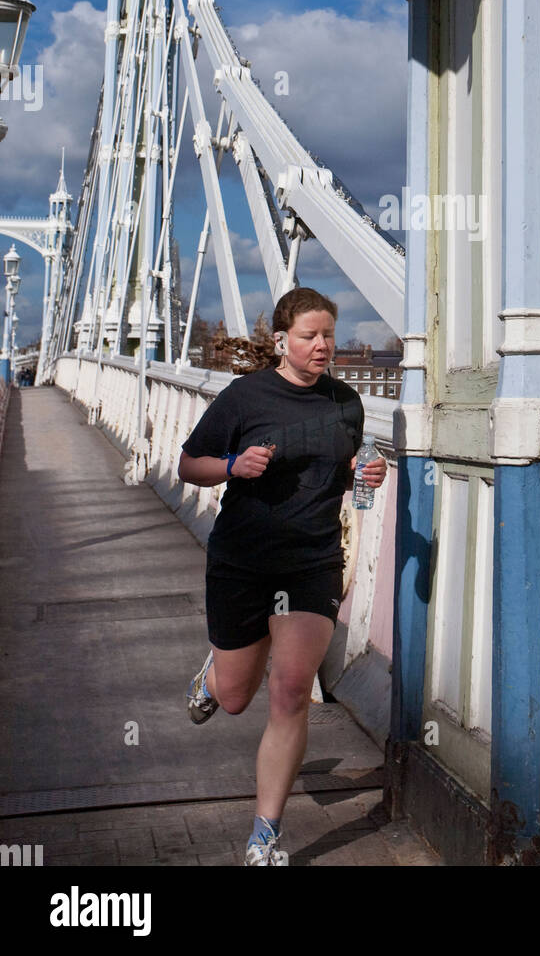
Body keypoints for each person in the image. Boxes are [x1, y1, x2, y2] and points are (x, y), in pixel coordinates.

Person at [178, 287, 387, 866]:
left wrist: (365, 470)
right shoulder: (244, 398)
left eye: (329, 336)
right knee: (240, 696)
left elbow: (343, 480)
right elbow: (187, 464)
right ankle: (214, 680)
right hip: (243, 561)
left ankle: (264, 837)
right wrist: (231, 466)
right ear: (281, 341)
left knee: (292, 690)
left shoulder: (347, 402)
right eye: (310, 336)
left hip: (312, 560)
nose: (323, 346)